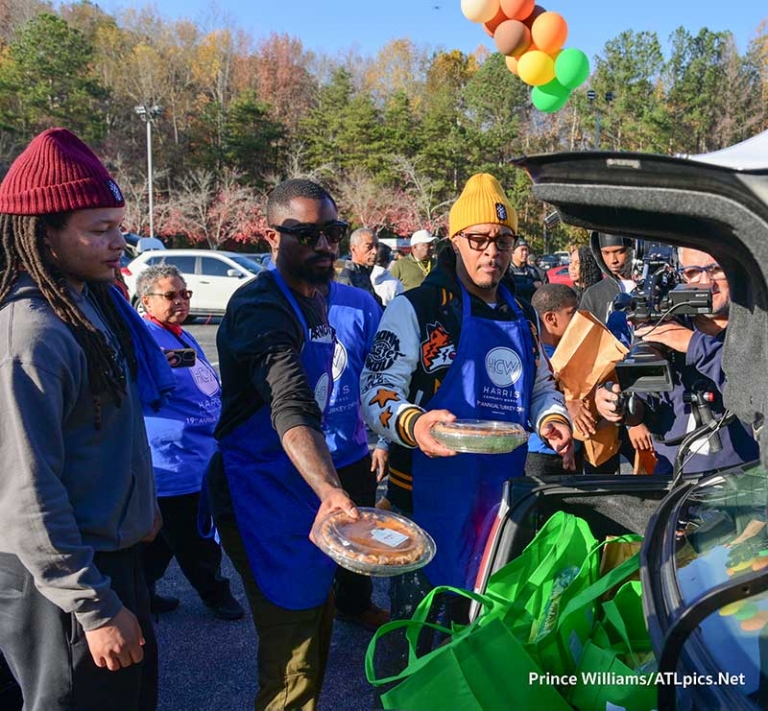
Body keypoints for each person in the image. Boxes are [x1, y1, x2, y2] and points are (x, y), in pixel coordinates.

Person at [0, 128, 168, 710]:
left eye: (119, 225)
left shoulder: (92, 299)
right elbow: (28, 493)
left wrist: (139, 510)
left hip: (109, 562)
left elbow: (114, 430)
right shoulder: (32, 333)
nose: (119, 242)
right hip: (61, 586)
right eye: (98, 230)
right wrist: (95, 607)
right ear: (42, 234)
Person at [360, 173, 573, 624]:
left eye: (502, 239)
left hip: (499, 497)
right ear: (455, 241)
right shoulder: (416, 307)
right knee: (418, 630)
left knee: (482, 622)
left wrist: (552, 417)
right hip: (424, 494)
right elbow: (375, 391)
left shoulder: (523, 313)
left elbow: (541, 386)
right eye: (478, 239)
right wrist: (415, 424)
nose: (491, 251)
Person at [209, 178, 358, 711]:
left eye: (333, 232)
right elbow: (290, 402)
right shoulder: (260, 309)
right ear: (273, 236)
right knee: (292, 651)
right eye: (306, 233)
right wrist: (330, 489)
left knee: (317, 616)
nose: (323, 245)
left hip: (306, 487)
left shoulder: (316, 296)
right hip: (261, 489)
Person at [136, 265, 243, 621]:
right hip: (173, 461)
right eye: (171, 295)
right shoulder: (144, 337)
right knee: (196, 539)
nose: (180, 301)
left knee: (164, 537)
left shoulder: (179, 333)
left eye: (185, 294)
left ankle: (142, 590)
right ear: (146, 300)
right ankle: (216, 593)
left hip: (201, 452)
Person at [595, 247, 760, 475]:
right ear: (679, 275)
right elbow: (648, 405)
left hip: (751, 480)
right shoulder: (665, 322)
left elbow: (755, 392)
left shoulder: (757, 325)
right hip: (677, 480)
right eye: (693, 272)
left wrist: (692, 344)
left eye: (716, 270)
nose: (706, 282)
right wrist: (618, 405)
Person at [321, 278, 390, 630]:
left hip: (350, 451)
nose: (320, 245)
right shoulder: (264, 300)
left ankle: (354, 602)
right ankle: (307, 611)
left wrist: (385, 441)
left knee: (357, 537)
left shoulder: (359, 304)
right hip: (289, 458)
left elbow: (383, 377)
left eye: (331, 235)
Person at [527, 284, 587, 475]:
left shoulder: (569, 352)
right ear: (551, 318)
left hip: (570, 445)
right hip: (541, 453)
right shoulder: (540, 359)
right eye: (572, 313)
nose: (578, 320)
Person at [579, 233, 636, 346]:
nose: (613, 260)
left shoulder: (653, 288)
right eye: (606, 253)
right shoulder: (593, 295)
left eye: (619, 251)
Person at [337, 227, 381, 305]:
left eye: (376, 246)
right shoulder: (347, 278)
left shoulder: (364, 272)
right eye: (369, 247)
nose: (375, 251)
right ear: (353, 249)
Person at [507, 236, 542, 302]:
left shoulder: (533, 271)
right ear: (513, 252)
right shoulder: (507, 271)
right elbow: (509, 289)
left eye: (526, 250)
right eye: (522, 250)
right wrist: (531, 286)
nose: (525, 253)